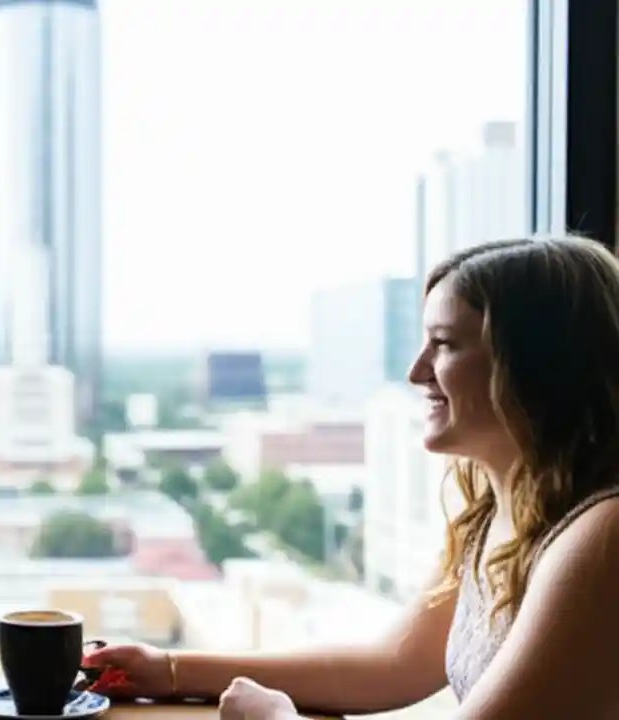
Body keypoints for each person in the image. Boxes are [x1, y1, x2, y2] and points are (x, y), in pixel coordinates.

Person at [85, 236, 619, 720]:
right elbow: (393, 664)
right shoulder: (491, 512)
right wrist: (171, 671)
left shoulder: (602, 537)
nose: (416, 371)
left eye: (445, 344)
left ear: (535, 363)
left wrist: (274, 718)